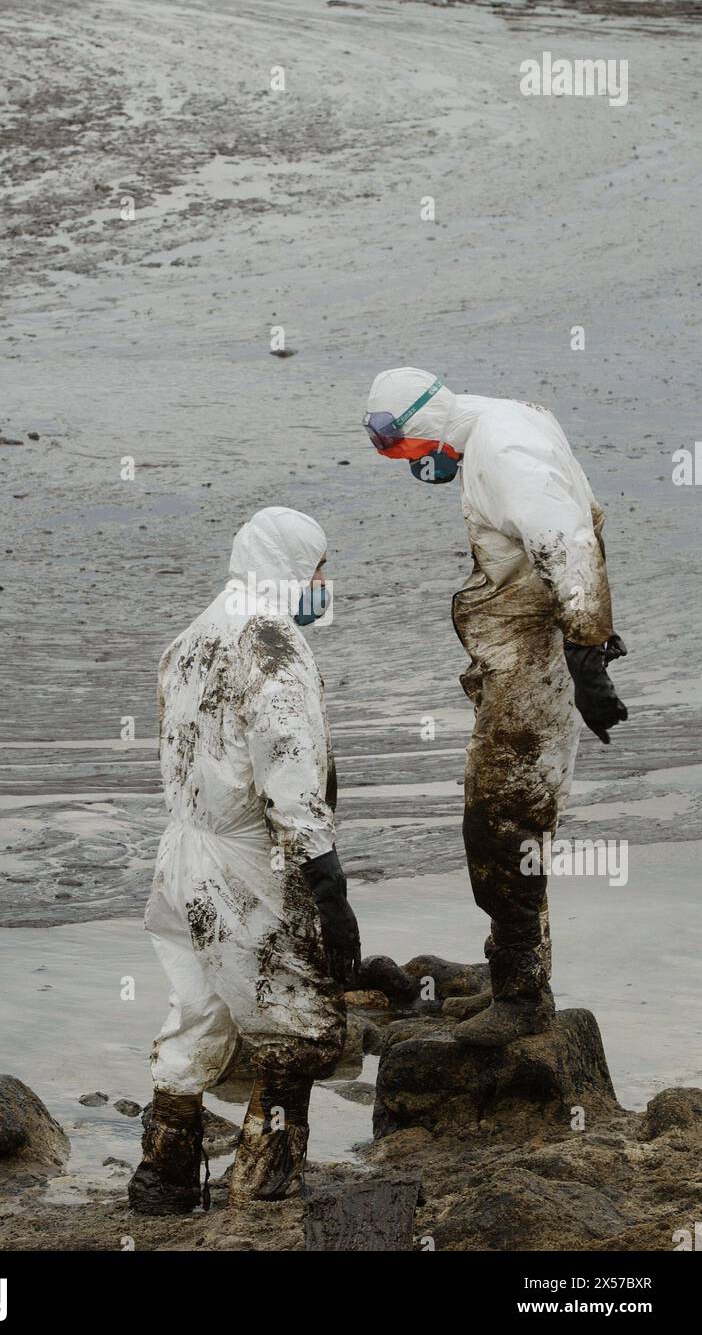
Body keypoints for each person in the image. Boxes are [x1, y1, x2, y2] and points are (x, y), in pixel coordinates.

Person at [363, 368, 627, 1047]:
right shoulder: (501, 421)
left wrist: (587, 648)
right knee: (519, 820)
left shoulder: (501, 449)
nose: (412, 465)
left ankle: (522, 996)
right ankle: (512, 969)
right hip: (526, 651)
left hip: (535, 659)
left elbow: (565, 538)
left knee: (500, 823)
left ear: (427, 424)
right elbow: (577, 516)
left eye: (404, 450)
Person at [129, 506, 360, 1214]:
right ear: (290, 567)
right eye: (318, 569)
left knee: (197, 1010)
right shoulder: (271, 646)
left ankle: (164, 1178)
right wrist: (327, 882)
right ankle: (263, 1183)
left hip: (183, 852)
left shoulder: (192, 635)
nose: (324, 583)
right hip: (246, 860)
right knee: (298, 1023)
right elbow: (287, 770)